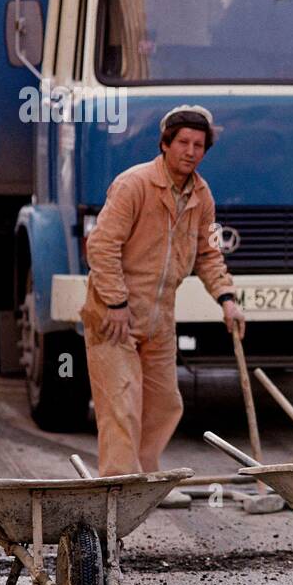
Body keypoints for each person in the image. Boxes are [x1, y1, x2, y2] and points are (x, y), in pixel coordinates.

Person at [81, 105, 246, 488]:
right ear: (165, 144)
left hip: (160, 318)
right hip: (113, 314)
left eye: (199, 145)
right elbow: (102, 247)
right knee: (121, 405)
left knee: (163, 403)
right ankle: (120, 489)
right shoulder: (133, 185)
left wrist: (227, 298)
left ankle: (148, 482)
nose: (190, 151)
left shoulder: (201, 196)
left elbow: (207, 253)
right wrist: (116, 303)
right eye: (183, 142)